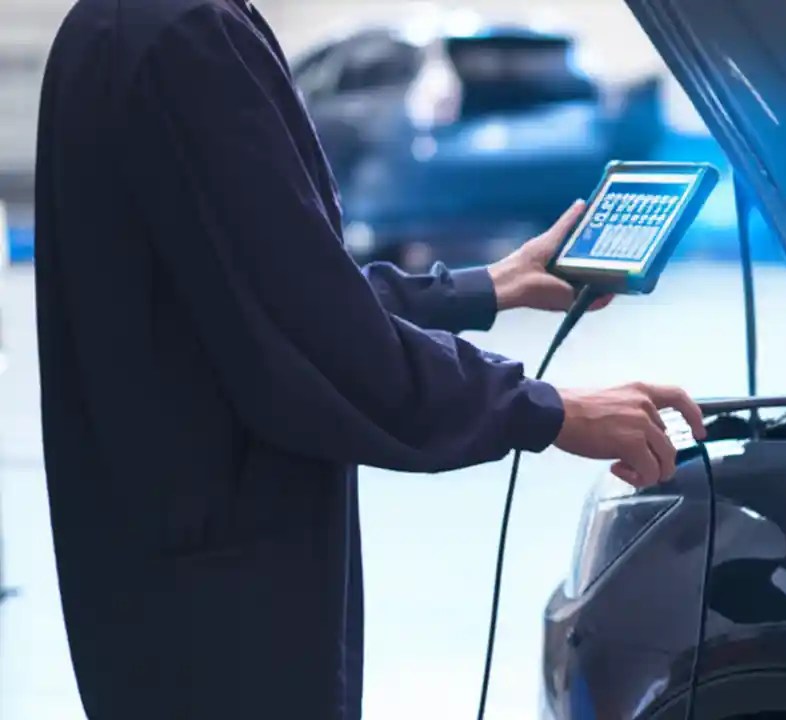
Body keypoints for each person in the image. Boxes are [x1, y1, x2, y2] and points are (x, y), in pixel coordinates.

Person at [33, 0, 705, 717]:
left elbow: (268, 289)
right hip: (221, 613)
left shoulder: (110, 23)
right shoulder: (189, 37)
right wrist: (550, 409)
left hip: (150, 581)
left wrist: (490, 286)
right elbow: (319, 342)